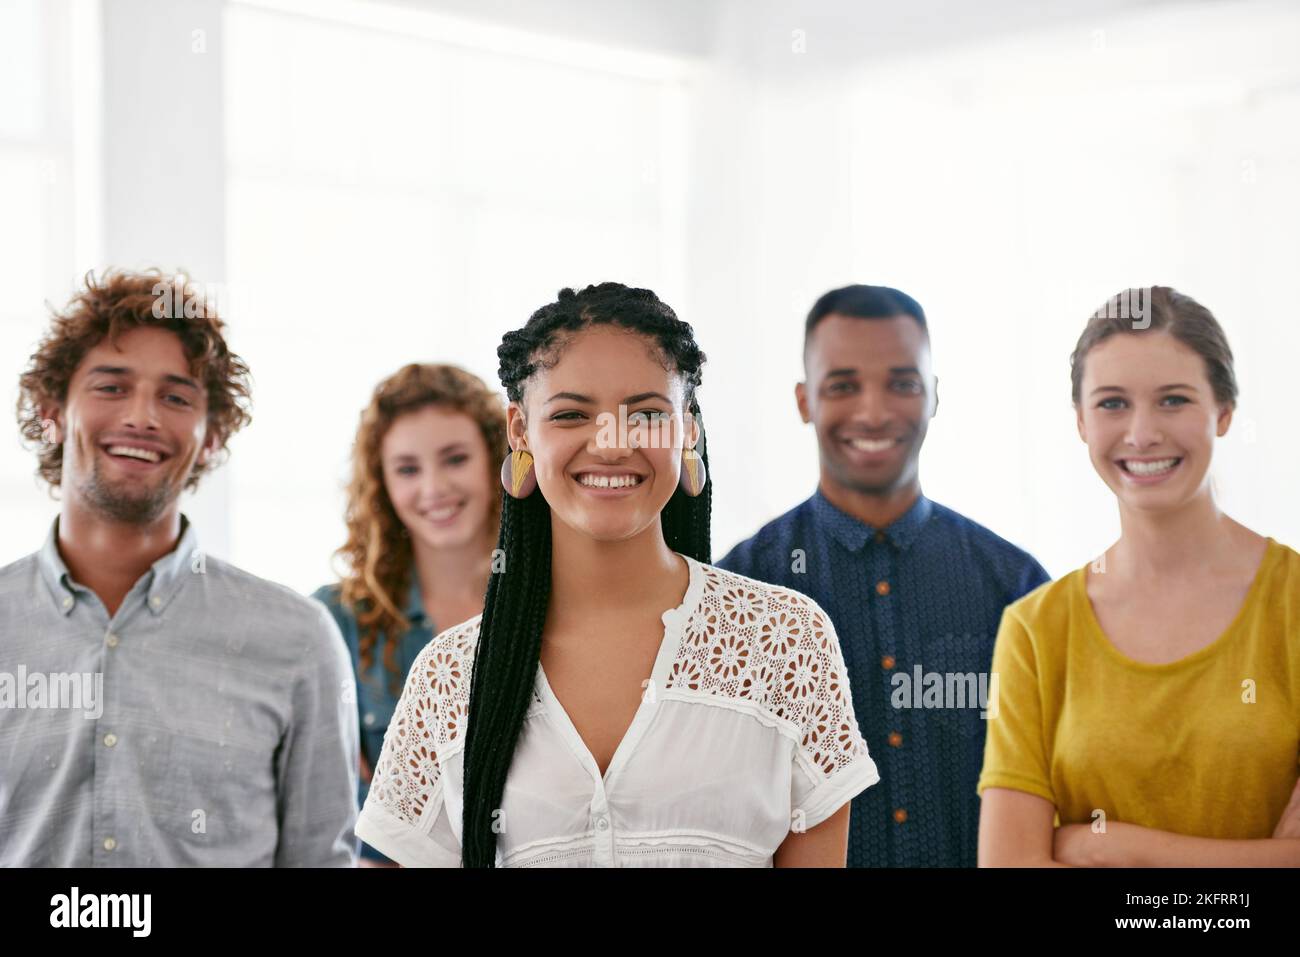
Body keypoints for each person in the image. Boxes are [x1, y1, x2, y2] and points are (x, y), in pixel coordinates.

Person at [355, 282, 880, 867]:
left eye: (648, 414)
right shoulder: (449, 677)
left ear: (690, 430)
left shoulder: (788, 641)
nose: (610, 444)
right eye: (572, 414)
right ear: (520, 432)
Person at [0, 268, 359, 866]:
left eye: (175, 396)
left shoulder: (297, 640)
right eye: (111, 387)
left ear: (211, 436)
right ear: (52, 412)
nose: (143, 417)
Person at [717, 284, 1050, 867]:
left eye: (902, 383)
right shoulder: (740, 591)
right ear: (803, 400)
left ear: (934, 396)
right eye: (843, 385)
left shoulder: (1015, 586)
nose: (873, 412)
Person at [978, 285, 1300, 866]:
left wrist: (1112, 849)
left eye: (1174, 400)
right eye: (1111, 403)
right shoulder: (1034, 629)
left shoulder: (1293, 602)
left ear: (1223, 412)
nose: (1142, 433)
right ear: (1080, 421)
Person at [313, 363, 505, 866]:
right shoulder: (337, 621)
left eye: (455, 459)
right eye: (407, 469)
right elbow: (351, 823)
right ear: (382, 483)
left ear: (495, 461)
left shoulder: (557, 602)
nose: (434, 487)